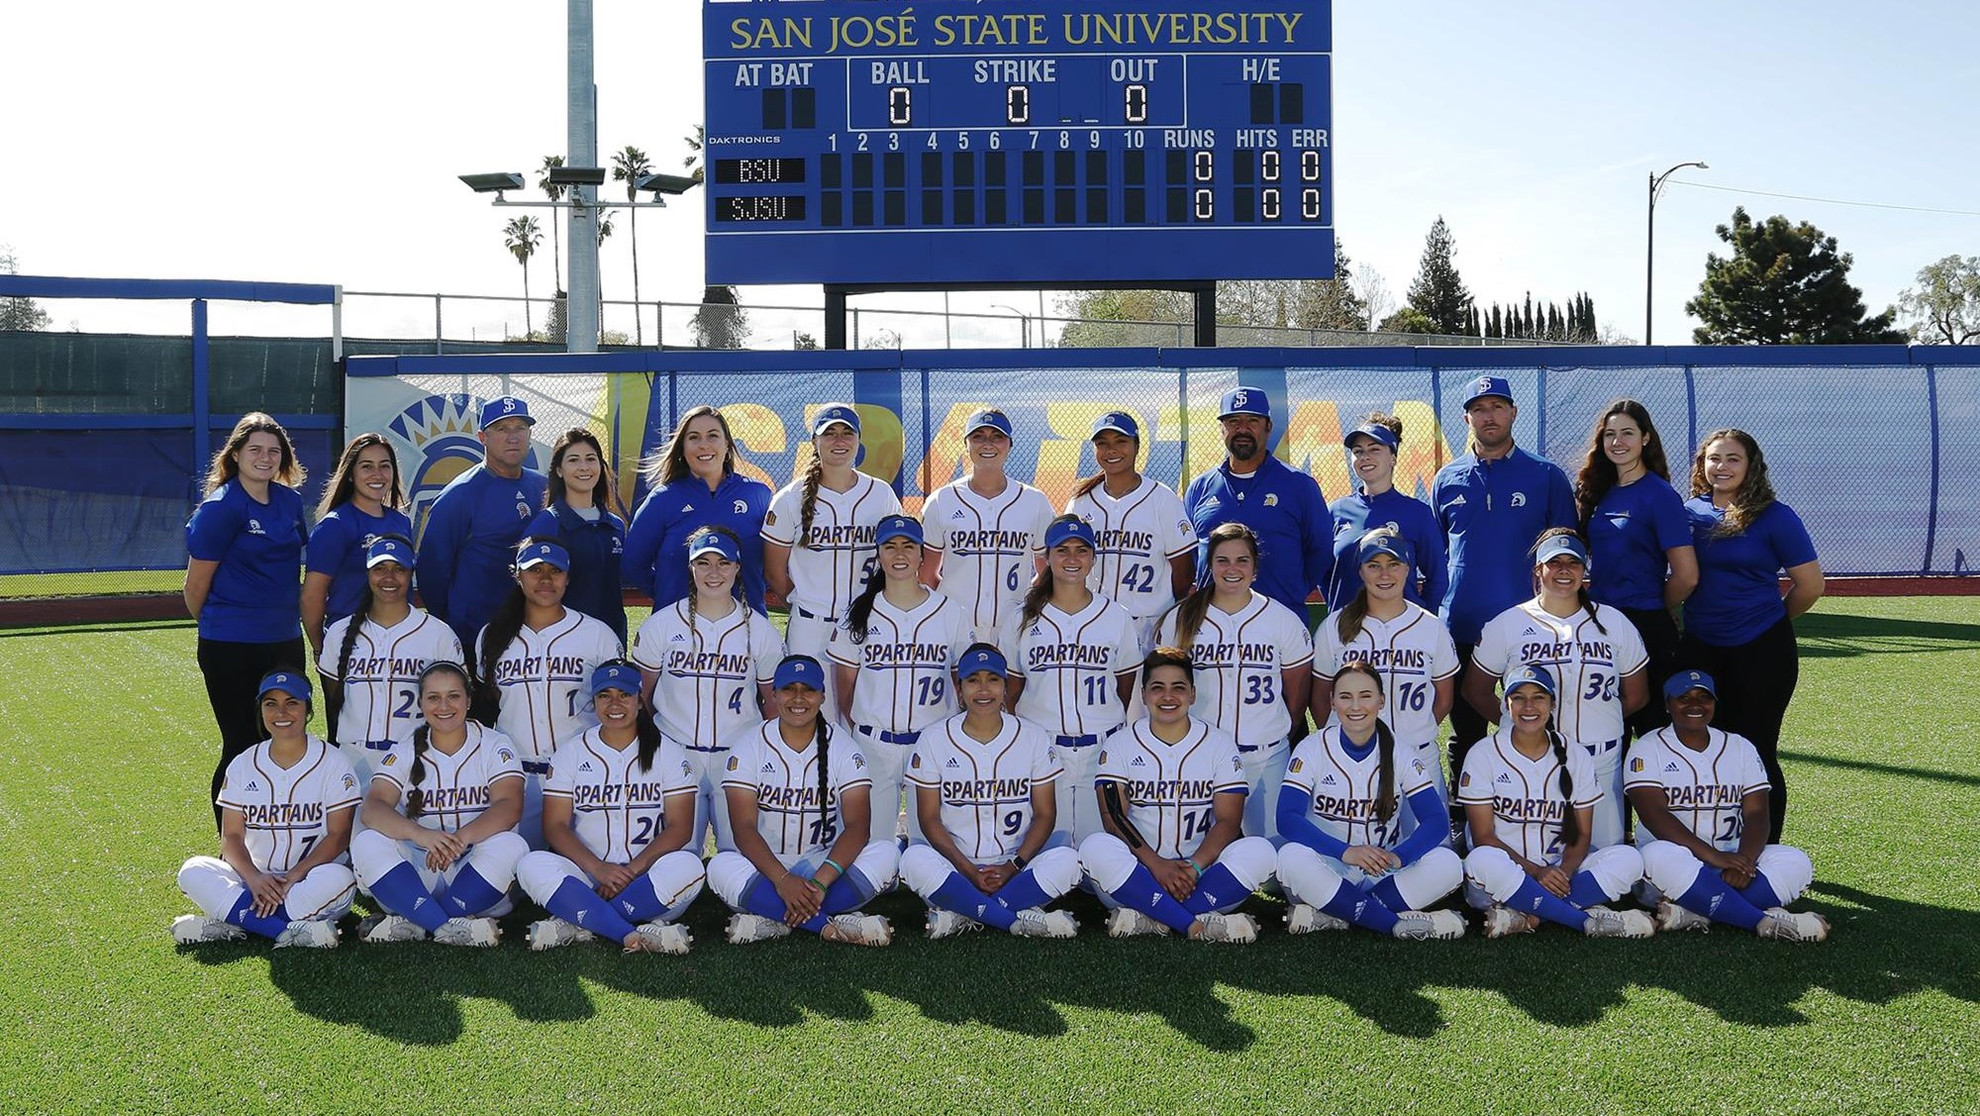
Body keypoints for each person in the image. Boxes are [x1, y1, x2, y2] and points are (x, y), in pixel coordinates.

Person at [1430, 375, 1576, 821]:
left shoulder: (1545, 476)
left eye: (1496, 406)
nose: (1488, 416)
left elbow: (1566, 551)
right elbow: (1439, 553)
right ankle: (1464, 819)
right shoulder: (1447, 478)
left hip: (1530, 628)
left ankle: (1548, 813)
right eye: (1479, 408)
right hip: (1463, 625)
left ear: (1513, 412)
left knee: (1540, 725)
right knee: (1466, 731)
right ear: (1466, 418)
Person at [1678, 429, 1824, 842]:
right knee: (1706, 748)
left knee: (1755, 749)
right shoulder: (1688, 513)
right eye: (1714, 458)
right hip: (1701, 648)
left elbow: (1811, 585)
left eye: (1733, 459)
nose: (1721, 467)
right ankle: (1714, 843)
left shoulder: (1775, 516)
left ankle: (1765, 849)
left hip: (1761, 651)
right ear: (1702, 464)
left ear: (1751, 466)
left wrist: (1770, 620)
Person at [1465, 529, 1648, 849]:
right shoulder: (1508, 623)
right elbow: (1475, 691)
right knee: (1527, 853)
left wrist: (1601, 718)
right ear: (1539, 570)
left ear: (1584, 569)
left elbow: (1637, 695)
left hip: (1599, 759)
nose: (1565, 570)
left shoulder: (1614, 622)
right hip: (1529, 760)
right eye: (1555, 562)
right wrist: (1520, 724)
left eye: (1573, 563)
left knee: (1605, 854)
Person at [1079, 647, 1277, 943]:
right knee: (1095, 847)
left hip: (1200, 877)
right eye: (1157, 688)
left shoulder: (1219, 743)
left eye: (1178, 688)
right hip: (1138, 874)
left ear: (1192, 694)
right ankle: (1194, 922)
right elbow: (1113, 817)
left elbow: (1229, 820)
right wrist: (1157, 866)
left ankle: (1153, 919)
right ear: (1143, 694)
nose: (1168, 696)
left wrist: (1194, 867)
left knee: (1261, 851)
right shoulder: (1120, 744)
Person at [517, 661, 708, 954]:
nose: (614, 704)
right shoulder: (571, 752)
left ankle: (581, 921)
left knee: (690, 866)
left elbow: (680, 828)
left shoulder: (667, 751)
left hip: (647, 878)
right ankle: (630, 930)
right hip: (586, 875)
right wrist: (599, 870)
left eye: (624, 694)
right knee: (530, 864)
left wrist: (629, 872)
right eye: (604, 695)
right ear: (593, 701)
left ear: (639, 700)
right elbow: (554, 827)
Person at [710, 656, 901, 946]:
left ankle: (774, 918)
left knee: (887, 853)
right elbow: (743, 829)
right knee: (720, 866)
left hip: (824, 867)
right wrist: (782, 880)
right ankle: (828, 925)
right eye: (789, 688)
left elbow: (858, 827)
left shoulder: (843, 747)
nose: (798, 698)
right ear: (774, 694)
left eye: (808, 689)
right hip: (767, 868)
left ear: (822, 696)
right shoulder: (749, 746)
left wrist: (821, 881)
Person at [1624, 671, 1827, 941]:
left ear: (1714, 703)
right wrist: (1714, 857)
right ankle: (1762, 922)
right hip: (1675, 865)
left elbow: (1757, 813)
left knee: (1795, 861)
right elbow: (1654, 815)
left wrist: (1745, 862)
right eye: (1683, 698)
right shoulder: (1647, 748)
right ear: (1667, 705)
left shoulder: (1739, 746)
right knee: (1656, 854)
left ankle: (1694, 912)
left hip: (1731, 859)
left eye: (1704, 697)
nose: (1695, 704)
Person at [899, 645, 1083, 939]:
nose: (983, 689)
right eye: (973, 680)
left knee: (1069, 861)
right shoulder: (934, 738)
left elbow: (1046, 814)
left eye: (993, 679)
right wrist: (967, 871)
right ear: (959, 690)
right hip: (955, 869)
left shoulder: (1033, 736)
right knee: (912, 860)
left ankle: (963, 913)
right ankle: (1014, 919)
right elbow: (929, 818)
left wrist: (1012, 867)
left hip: (1017, 868)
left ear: (1006, 687)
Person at [1458, 665, 1654, 938]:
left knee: (1628, 858)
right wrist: (1537, 872)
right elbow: (1483, 837)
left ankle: (1526, 917)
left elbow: (1582, 834)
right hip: (1504, 873)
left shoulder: (1575, 754)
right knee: (1481, 860)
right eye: (1519, 698)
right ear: (1506, 705)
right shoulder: (1483, 754)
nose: (1529, 706)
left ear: (1552, 704)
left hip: (1560, 871)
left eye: (1538, 697)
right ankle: (1582, 921)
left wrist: (1564, 872)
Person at [1274, 662, 1466, 939]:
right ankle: (1393, 923)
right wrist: (1345, 852)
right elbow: (1287, 818)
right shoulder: (1312, 748)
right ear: (1332, 702)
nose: (1355, 706)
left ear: (1381, 701)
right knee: (1290, 857)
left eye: (1365, 696)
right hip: (1329, 866)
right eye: (1345, 697)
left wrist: (1400, 857)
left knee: (1448, 863)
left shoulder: (1401, 751)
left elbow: (1436, 821)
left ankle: (1337, 915)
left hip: (1383, 870)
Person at [185, 412, 310, 828]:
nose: (265, 458)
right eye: (255, 449)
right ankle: (232, 844)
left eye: (274, 451)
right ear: (235, 454)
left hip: (284, 641)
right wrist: (222, 627)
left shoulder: (290, 502)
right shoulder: (221, 508)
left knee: (284, 738)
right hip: (230, 646)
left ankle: (276, 834)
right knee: (240, 742)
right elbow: (195, 587)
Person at [172, 671, 358, 948]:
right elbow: (231, 837)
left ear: (308, 709)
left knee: (340, 879)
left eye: (292, 702)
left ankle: (237, 921)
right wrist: (254, 878)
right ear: (261, 710)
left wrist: (293, 876)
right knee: (192, 870)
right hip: (253, 881)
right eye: (271, 704)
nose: (281, 712)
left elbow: (339, 837)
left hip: (307, 881)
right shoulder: (243, 764)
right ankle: (287, 932)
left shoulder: (333, 762)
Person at [348, 661, 529, 947]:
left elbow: (509, 806)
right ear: (421, 703)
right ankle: (447, 926)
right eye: (433, 697)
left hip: (475, 869)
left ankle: (417, 921)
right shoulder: (407, 748)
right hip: (419, 870)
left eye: (453, 696)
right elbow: (373, 807)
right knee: (366, 842)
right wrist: (421, 835)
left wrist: (459, 839)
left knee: (512, 845)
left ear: (469, 700)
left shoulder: (495, 744)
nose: (444, 706)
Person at [1155, 522, 1313, 842]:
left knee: (1277, 856)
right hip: (1198, 756)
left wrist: (1274, 730)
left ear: (1255, 568)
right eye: (1222, 560)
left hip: (1265, 757)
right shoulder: (1180, 618)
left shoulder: (1281, 619)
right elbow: (1161, 689)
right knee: (1193, 853)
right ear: (1210, 565)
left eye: (1242, 560)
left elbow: (1297, 696)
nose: (1232, 569)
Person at [631, 526, 782, 854]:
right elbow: (641, 698)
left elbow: (773, 703)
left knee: (742, 855)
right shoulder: (663, 624)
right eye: (704, 563)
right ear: (691, 568)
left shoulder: (760, 631)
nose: (714, 572)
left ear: (737, 567)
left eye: (723, 563)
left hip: (738, 755)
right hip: (676, 752)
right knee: (676, 857)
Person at [471, 537, 623, 849]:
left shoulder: (596, 634)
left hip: (584, 774)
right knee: (513, 867)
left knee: (589, 864)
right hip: (516, 776)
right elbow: (490, 702)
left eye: (555, 571)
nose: (545, 579)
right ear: (518, 575)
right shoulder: (492, 635)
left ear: (567, 578)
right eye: (534, 570)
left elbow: (619, 704)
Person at [1310, 529, 1460, 844]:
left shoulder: (1430, 627)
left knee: (1435, 853)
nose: (1384, 574)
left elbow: (1444, 698)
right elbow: (1320, 698)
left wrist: (1415, 731)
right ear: (1360, 571)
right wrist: (1344, 738)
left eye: (1393, 564)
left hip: (1417, 756)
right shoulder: (1334, 627)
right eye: (1373, 565)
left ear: (1408, 569)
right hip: (1353, 760)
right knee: (1351, 853)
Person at [1001, 515, 1143, 845]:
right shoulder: (1022, 617)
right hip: (1045, 749)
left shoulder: (1115, 616)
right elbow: (1012, 690)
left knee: (1103, 852)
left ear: (1093, 558)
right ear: (1047, 557)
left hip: (1102, 750)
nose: (1072, 558)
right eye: (1062, 550)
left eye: (1081, 550)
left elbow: (1124, 688)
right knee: (1051, 852)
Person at [830, 514, 971, 843]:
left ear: (922, 554)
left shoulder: (949, 612)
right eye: (890, 546)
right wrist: (865, 726)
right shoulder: (859, 612)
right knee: (872, 847)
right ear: (878, 554)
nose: (899, 554)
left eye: (908, 546)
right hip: (875, 743)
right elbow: (845, 689)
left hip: (932, 742)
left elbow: (962, 682)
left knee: (933, 847)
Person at [1574, 399, 1696, 735]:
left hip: (1646, 628)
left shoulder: (1660, 495)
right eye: (1609, 434)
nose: (1617, 441)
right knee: (1604, 728)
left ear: (1645, 438)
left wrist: (1658, 607)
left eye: (1627, 433)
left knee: (1650, 730)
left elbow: (1687, 575)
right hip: (1599, 626)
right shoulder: (1597, 492)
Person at [762, 404, 902, 697]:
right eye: (829, 433)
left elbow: (898, 557)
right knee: (810, 709)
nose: (839, 440)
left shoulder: (880, 495)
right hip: (810, 627)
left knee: (867, 708)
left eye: (847, 433)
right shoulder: (790, 498)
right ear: (815, 441)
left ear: (858, 440)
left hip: (867, 622)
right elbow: (774, 571)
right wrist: (803, 602)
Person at [318, 536, 463, 784]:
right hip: (354, 759)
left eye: (399, 569)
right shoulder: (339, 633)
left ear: (411, 574)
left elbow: (457, 703)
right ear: (367, 573)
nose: (389, 577)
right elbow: (334, 694)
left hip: (418, 758)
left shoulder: (438, 634)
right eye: (379, 569)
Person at [1181, 387, 1331, 622]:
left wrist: (1292, 589)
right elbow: (1189, 554)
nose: (1242, 429)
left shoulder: (1299, 485)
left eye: (1252, 420)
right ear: (1222, 428)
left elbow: (1321, 550)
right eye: (1233, 421)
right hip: (1213, 621)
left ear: (1268, 427)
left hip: (1281, 618)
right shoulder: (1200, 488)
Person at [303, 433, 412, 737]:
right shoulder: (335, 525)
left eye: (384, 466)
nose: (377, 474)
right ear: (350, 474)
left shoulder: (401, 522)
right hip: (349, 645)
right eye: (367, 466)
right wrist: (321, 647)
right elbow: (312, 596)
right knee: (348, 735)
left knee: (399, 733)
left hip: (398, 643)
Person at [416, 395, 548, 648]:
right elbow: (432, 571)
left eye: (520, 428)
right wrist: (451, 625)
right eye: (502, 429)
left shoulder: (542, 487)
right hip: (475, 632)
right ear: (482, 437)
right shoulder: (460, 494)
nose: (513, 437)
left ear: (530, 435)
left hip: (533, 631)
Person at [921, 407, 1057, 645]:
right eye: (978, 436)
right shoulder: (942, 500)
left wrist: (1027, 602)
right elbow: (926, 574)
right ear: (966, 445)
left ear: (1009, 445)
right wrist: (945, 609)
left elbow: (1047, 571)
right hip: (954, 626)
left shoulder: (1034, 501)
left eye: (997, 437)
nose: (987, 444)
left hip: (1015, 626)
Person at [1063, 410, 1196, 648]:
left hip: (1149, 624)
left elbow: (1183, 572)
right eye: (1102, 444)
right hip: (1093, 620)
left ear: (1136, 446)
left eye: (1120, 441)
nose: (1111, 450)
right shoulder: (1081, 502)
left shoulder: (1161, 498)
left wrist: (1168, 616)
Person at [625, 403, 773, 612]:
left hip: (745, 623)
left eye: (713, 436)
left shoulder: (758, 495)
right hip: (679, 625)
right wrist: (669, 595)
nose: (704, 445)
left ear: (727, 444)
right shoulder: (662, 499)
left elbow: (777, 564)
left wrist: (751, 591)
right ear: (682, 448)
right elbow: (633, 564)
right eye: (694, 437)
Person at [1324, 413, 1445, 613]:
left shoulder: (1417, 513)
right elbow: (1324, 573)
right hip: (1348, 627)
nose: (1365, 457)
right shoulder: (1336, 511)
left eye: (1374, 449)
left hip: (1402, 628)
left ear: (1393, 458)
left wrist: (1421, 621)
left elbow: (1437, 577)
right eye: (1358, 451)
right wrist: (1339, 612)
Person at [525, 427, 629, 642]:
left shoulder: (616, 526)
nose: (584, 467)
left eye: (591, 459)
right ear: (559, 470)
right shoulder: (546, 525)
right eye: (573, 460)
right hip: (562, 643)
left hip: (612, 638)